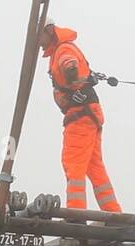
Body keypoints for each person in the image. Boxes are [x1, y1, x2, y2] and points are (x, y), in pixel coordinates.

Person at [39, 20, 122, 213]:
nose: (38, 43)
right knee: (95, 167)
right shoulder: (63, 49)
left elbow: (70, 66)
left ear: (49, 32)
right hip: (88, 112)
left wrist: (73, 76)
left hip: (80, 114)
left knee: (73, 163)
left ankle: (76, 215)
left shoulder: (62, 50)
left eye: (39, 37)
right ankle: (113, 213)